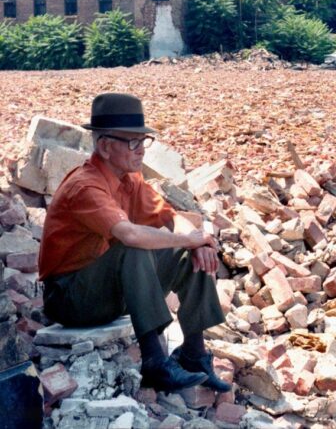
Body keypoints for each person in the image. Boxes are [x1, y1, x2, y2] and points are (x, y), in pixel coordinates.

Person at [38, 93, 231, 393]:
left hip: (105, 292)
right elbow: (128, 235)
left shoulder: (129, 179)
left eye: (143, 141)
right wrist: (189, 238)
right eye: (133, 142)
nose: (141, 150)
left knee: (186, 253)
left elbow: (170, 216)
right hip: (69, 298)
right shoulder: (85, 186)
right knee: (132, 246)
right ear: (104, 146)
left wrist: (195, 243)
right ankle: (154, 360)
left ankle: (194, 354)